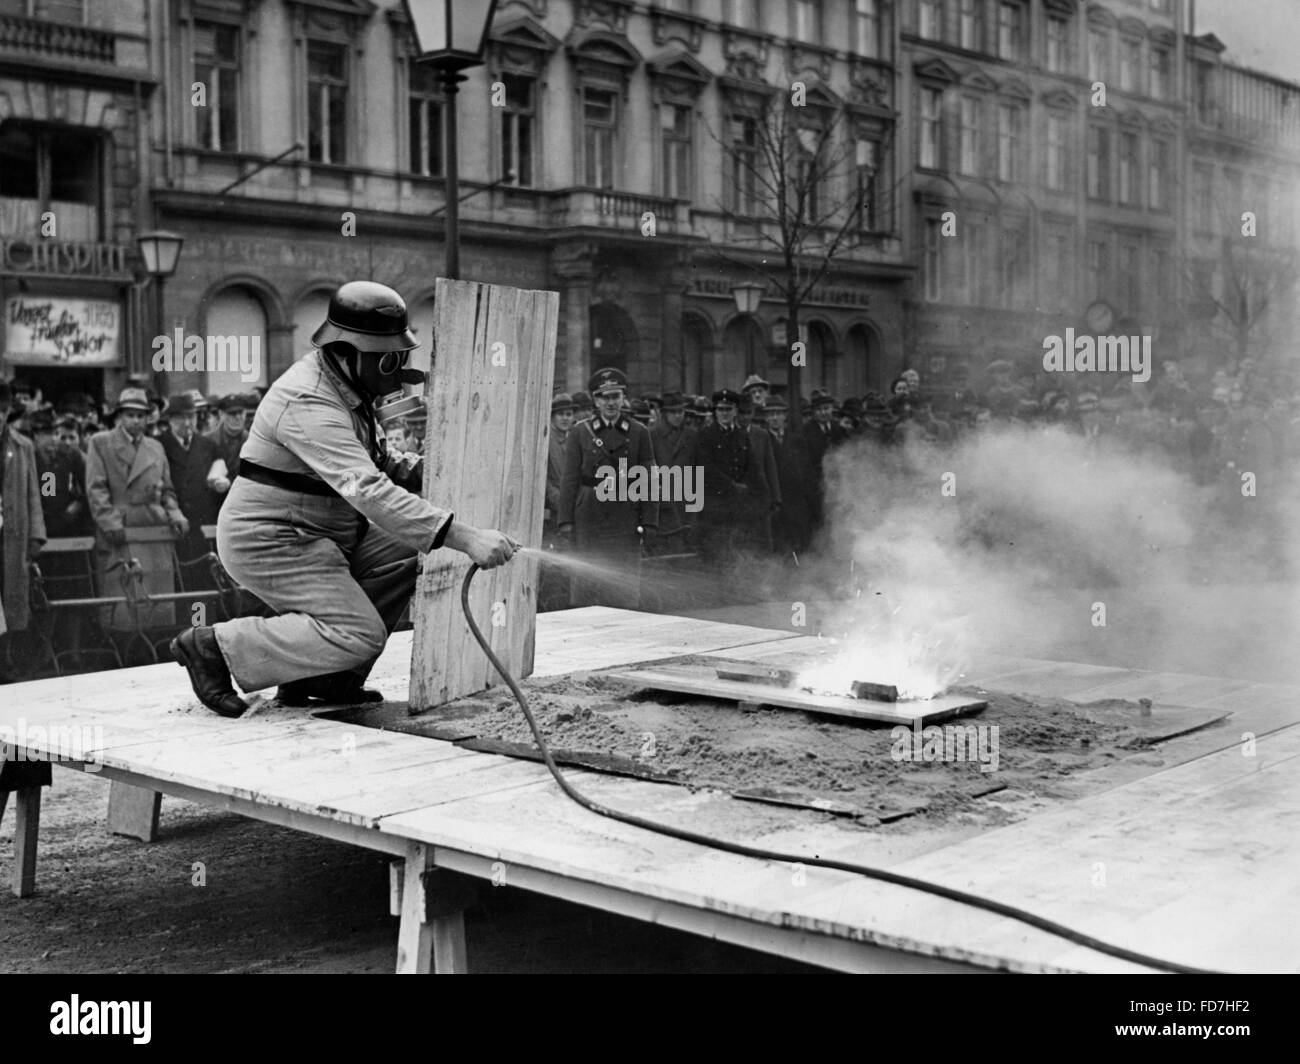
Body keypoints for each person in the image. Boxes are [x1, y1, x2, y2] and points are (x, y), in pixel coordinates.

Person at [170, 280, 517, 718]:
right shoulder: (309, 400)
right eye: (389, 358)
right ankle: (213, 646)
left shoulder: (349, 390)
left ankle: (322, 680)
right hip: (274, 540)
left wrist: (445, 465)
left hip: (324, 531)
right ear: (348, 351)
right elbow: (367, 489)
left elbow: (381, 463)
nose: (399, 368)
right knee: (359, 632)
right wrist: (465, 537)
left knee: (414, 551)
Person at [85, 387, 188, 630]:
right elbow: (96, 489)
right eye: (130, 415)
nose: (135, 420)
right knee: (124, 611)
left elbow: (168, 491)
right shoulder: (101, 443)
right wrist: (111, 524)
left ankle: (154, 653)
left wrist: (175, 514)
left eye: (140, 415)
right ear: (120, 416)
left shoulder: (156, 448)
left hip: (154, 532)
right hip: (122, 532)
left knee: (157, 610)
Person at [557, 367, 658, 609]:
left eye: (615, 396)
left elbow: (649, 479)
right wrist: (565, 521)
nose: (610, 403)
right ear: (595, 400)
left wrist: (650, 521)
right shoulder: (580, 432)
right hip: (588, 516)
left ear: (623, 398)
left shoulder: (639, 432)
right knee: (586, 585)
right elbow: (569, 479)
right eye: (604, 397)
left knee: (624, 587)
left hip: (624, 515)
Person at [694, 388, 771, 566]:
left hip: (739, 510)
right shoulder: (706, 436)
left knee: (739, 561)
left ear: (736, 410)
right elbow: (706, 469)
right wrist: (732, 486)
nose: (724, 414)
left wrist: (762, 496)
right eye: (720, 409)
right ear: (715, 411)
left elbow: (753, 468)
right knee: (716, 561)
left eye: (728, 409)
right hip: (714, 510)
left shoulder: (742, 436)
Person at [160, 392, 226, 584]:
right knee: (178, 582)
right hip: (175, 525)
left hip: (202, 523)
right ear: (171, 420)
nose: (187, 423)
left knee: (203, 581)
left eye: (191, 417)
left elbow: (220, 473)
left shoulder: (208, 446)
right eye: (181, 418)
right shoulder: (159, 445)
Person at [0, 381, 47, 637]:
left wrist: (36, 534)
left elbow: (34, 494)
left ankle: (7, 659)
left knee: (13, 595)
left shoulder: (22, 446)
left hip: (12, 533)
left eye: (3, 410)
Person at [765, 397, 814, 556]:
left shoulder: (796, 439)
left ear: (785, 416)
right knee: (779, 548)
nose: (774, 418)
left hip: (796, 502)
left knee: (798, 545)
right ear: (765, 417)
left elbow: (806, 470)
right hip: (775, 502)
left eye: (778, 414)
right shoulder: (762, 439)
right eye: (771, 414)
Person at [540, 393, 575, 611]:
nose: (565, 418)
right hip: (553, 513)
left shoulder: (576, 438)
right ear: (552, 417)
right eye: (561, 414)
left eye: (569, 414)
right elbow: (543, 479)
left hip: (573, 510)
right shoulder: (546, 440)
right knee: (554, 560)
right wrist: (560, 501)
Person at [649, 390, 696, 547]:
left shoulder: (692, 435)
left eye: (680, 411)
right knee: (667, 546)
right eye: (673, 412)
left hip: (688, 499)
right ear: (664, 413)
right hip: (664, 501)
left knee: (688, 548)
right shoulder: (652, 435)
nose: (678, 416)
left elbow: (698, 467)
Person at [207, 393, 249, 489]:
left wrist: (229, 482)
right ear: (221, 414)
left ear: (245, 413)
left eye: (240, 412)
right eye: (232, 413)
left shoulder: (253, 442)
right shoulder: (207, 441)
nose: (238, 417)